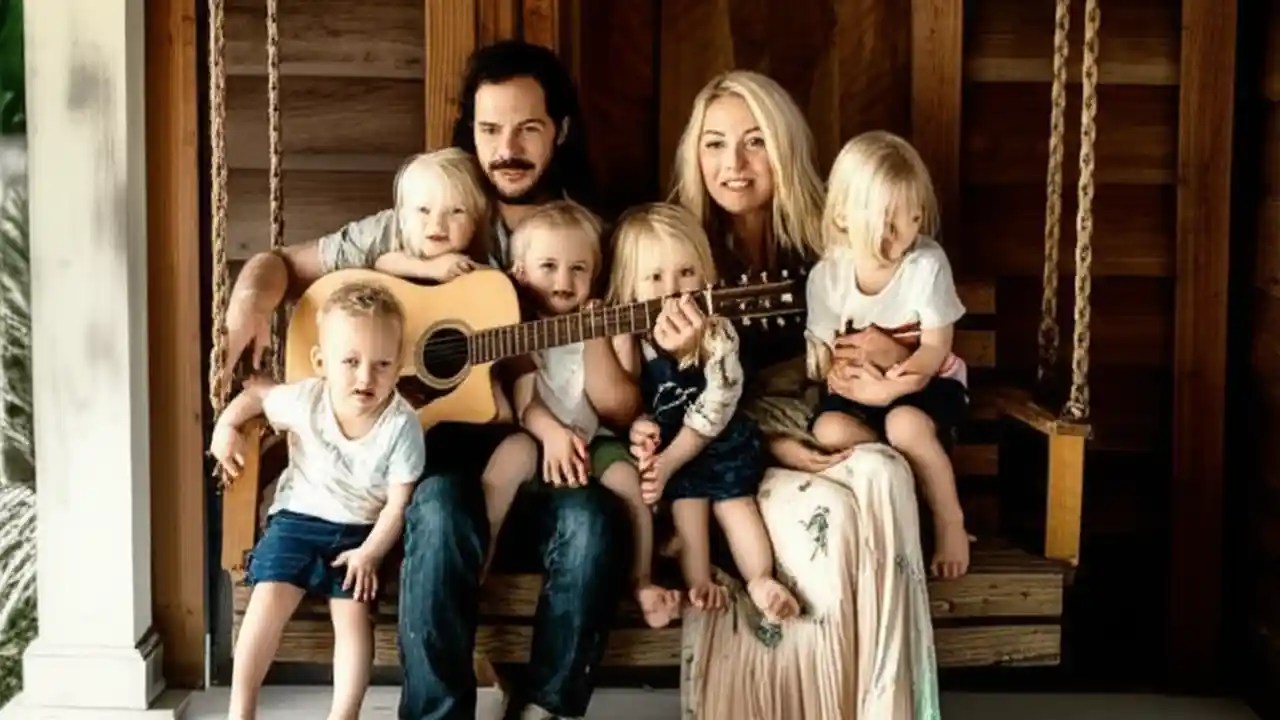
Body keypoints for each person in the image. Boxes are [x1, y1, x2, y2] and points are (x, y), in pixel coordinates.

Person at [668, 70, 942, 719]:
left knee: (881, 470)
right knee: (841, 520)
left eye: (754, 141)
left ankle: (889, 702)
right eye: (713, 143)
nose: (731, 164)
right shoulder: (683, 252)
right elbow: (666, 395)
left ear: (785, 148)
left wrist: (892, 356)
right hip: (740, 461)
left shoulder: (834, 241)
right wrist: (772, 441)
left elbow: (919, 326)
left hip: (834, 428)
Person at [210, 281, 426, 720]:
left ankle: (343, 715)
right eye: (350, 362)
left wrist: (369, 553)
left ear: (399, 365)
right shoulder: (307, 399)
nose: (366, 377)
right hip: (296, 522)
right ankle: (241, 710)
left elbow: (398, 504)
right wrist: (225, 428)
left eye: (382, 363)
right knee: (267, 598)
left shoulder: (402, 425)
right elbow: (254, 396)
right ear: (321, 362)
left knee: (353, 617)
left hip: (361, 534)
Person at [609, 202, 800, 622]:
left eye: (687, 272)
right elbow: (629, 405)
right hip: (669, 453)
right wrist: (642, 431)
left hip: (717, 441)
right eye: (655, 278)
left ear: (707, 275)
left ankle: (760, 579)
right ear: (630, 289)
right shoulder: (635, 339)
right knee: (687, 506)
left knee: (736, 505)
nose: (674, 288)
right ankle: (698, 581)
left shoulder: (718, 332)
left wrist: (671, 459)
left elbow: (720, 400)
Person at [498, 200, 682, 629]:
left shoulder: (611, 323)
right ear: (519, 272)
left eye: (578, 268)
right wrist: (551, 434)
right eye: (549, 266)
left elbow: (624, 401)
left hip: (595, 437)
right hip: (537, 437)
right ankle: (478, 568)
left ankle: (642, 580)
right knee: (500, 471)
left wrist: (597, 333)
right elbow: (526, 406)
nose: (564, 280)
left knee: (632, 486)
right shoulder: (516, 326)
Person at [806, 130, 971, 579]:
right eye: (887, 224)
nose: (902, 238)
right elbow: (825, 350)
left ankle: (950, 521)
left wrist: (893, 386)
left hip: (927, 383)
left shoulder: (926, 265)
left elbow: (936, 347)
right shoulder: (828, 277)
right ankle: (911, 490)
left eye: (913, 220)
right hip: (863, 391)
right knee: (828, 428)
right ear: (843, 214)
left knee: (905, 425)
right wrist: (836, 375)